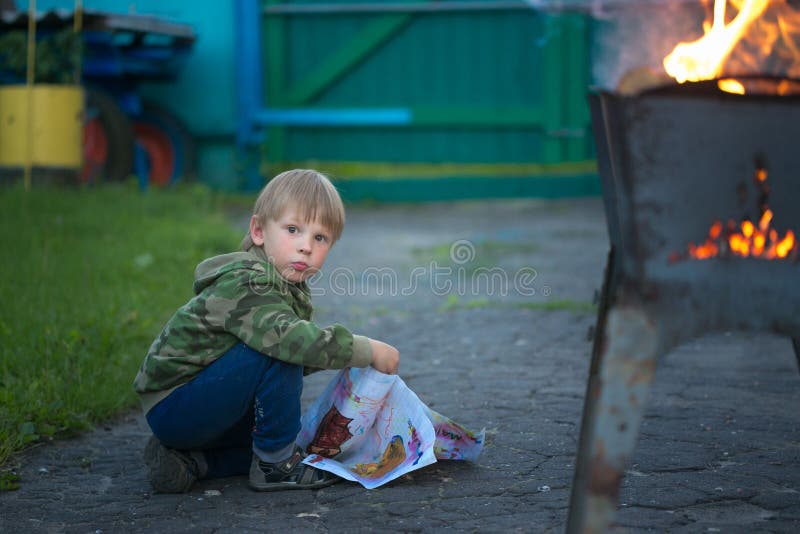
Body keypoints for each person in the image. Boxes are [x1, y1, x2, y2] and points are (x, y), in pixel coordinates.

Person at [133, 169, 400, 493]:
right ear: (259, 231)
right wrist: (366, 350)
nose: (306, 247)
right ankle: (275, 465)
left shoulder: (283, 283)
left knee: (286, 435)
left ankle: (191, 462)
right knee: (282, 348)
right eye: (293, 229)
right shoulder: (249, 283)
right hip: (176, 403)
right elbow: (290, 343)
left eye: (320, 238)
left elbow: (299, 355)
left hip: (196, 408)